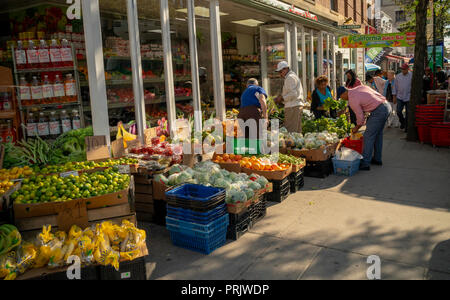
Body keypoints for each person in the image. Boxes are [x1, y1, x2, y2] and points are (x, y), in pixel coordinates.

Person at [338, 85, 392, 171]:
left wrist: (357, 127)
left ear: (344, 93)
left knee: (368, 137)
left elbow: (360, 118)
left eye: (340, 97)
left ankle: (365, 163)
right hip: (386, 106)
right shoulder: (358, 88)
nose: (342, 99)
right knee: (378, 135)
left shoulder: (352, 99)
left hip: (378, 111)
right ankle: (377, 159)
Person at [275, 61, 305, 133]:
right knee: (297, 131)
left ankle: (293, 144)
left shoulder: (290, 77)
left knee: (291, 130)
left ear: (286, 69)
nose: (280, 74)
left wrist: (282, 98)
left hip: (292, 106)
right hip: (295, 105)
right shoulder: (292, 76)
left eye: (280, 72)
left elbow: (293, 94)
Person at [393, 63, 412, 132]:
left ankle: (406, 127)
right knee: (398, 111)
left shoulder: (411, 75)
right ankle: (403, 122)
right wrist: (394, 96)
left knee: (408, 113)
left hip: (408, 96)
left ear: (407, 69)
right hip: (400, 97)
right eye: (402, 69)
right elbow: (395, 87)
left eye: (404, 69)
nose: (403, 70)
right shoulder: (398, 76)